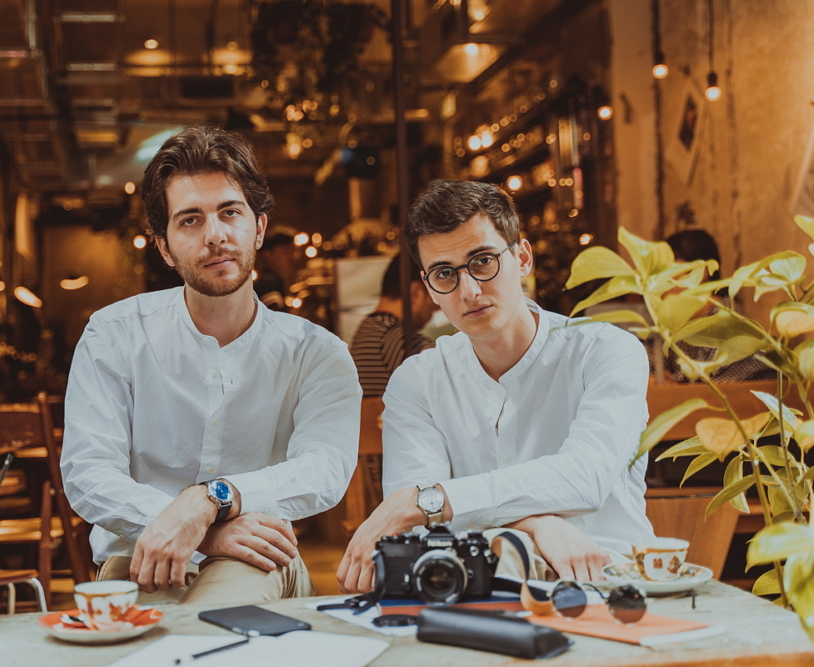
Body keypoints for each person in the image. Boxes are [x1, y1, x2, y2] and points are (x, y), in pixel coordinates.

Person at [61, 125, 361, 606]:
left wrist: (211, 499)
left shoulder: (316, 352)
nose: (215, 236)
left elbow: (323, 471)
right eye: (190, 220)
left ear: (258, 227)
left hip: (258, 559)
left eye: (230, 213)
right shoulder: (113, 334)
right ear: (163, 247)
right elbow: (87, 473)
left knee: (210, 623)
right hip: (138, 554)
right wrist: (196, 529)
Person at [337, 180, 655, 594]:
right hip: (479, 594)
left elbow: (586, 476)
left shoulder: (606, 350)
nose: (468, 290)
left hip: (613, 583)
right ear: (429, 287)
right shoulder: (417, 381)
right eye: (444, 273)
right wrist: (535, 523)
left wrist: (435, 502)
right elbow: (412, 525)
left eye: (483, 261)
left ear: (522, 258)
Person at [661, 229, 774, 383]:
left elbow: (715, 394)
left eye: (667, 272)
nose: (657, 282)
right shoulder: (670, 321)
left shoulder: (729, 321)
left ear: (701, 272)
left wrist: (665, 383)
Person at [350, 254, 439, 398]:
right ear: (415, 292)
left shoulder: (369, 328)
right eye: (434, 296)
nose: (436, 308)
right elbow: (450, 388)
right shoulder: (398, 339)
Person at [253, 227, 299, 311]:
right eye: (286, 251)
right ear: (267, 254)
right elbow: (272, 322)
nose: (293, 257)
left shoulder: (272, 282)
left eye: (294, 251)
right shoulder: (268, 284)